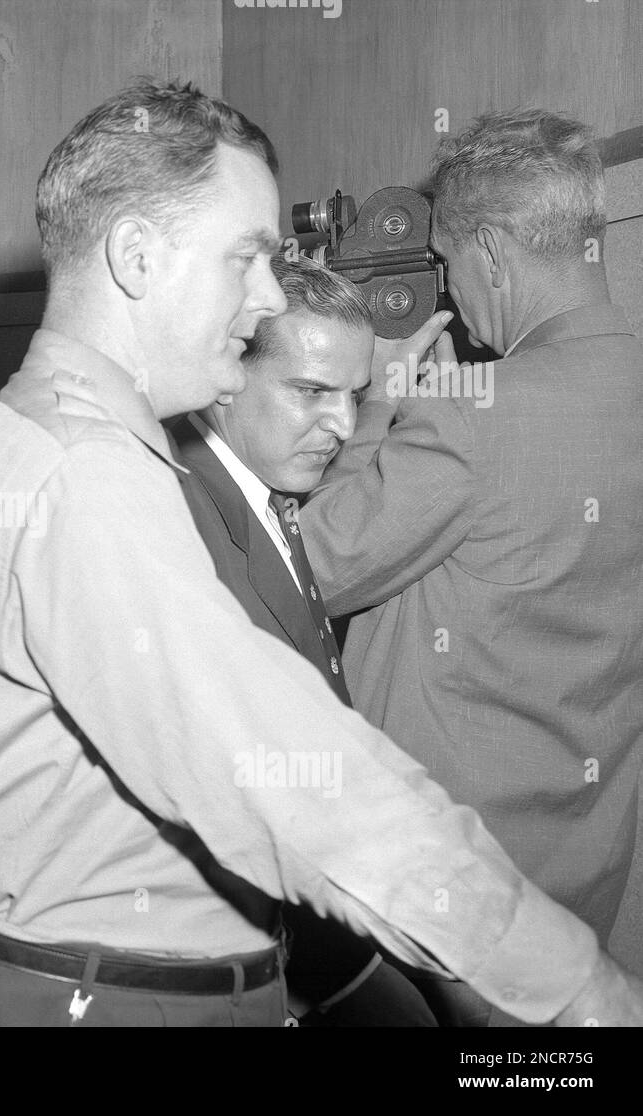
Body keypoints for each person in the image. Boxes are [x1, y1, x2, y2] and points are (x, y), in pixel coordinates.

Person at [0, 80, 643, 1028]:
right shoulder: (82, 475)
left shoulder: (20, 441)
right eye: (248, 258)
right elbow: (284, 772)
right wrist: (570, 984)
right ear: (137, 257)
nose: (268, 298)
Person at [299, 109, 643, 1026]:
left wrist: (374, 410)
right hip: (585, 862)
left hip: (450, 885)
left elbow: (309, 569)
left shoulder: (472, 413)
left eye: (449, 264)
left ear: (492, 250)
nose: (451, 289)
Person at [170, 254, 433, 1026]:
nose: (343, 425)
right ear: (225, 369)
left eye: (355, 396)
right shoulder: (176, 510)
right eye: (312, 392)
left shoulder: (265, 484)